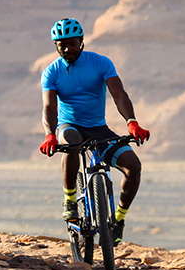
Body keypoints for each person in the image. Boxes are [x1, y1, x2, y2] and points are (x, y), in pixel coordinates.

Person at [39, 17, 150, 244]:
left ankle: (118, 220)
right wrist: (50, 135)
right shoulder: (52, 72)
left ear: (81, 41)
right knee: (72, 142)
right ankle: (70, 199)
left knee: (134, 166)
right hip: (69, 126)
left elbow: (119, 94)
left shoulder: (100, 63)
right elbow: (49, 107)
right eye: (62, 45)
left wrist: (132, 122)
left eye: (72, 43)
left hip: (99, 129)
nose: (68, 49)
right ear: (56, 46)